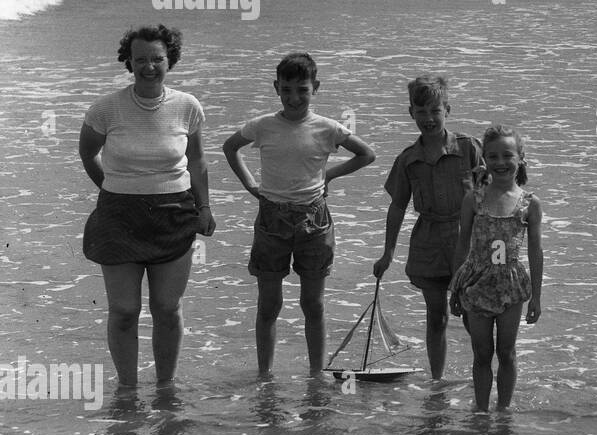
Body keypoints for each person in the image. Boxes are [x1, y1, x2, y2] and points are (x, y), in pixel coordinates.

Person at [79, 24, 216, 389]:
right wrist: (113, 190)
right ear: (129, 61)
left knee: (167, 310)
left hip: (175, 215)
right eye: (141, 59)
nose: (149, 66)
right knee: (124, 311)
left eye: (157, 58)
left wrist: (205, 207)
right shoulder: (106, 108)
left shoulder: (188, 106)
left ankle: (165, 388)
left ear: (170, 60)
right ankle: (127, 390)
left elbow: (198, 161)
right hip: (118, 220)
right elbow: (87, 152)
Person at [222, 53, 375, 375]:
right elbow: (229, 147)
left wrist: (329, 174)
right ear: (276, 87)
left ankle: (316, 374)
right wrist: (250, 183)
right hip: (271, 219)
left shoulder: (328, 128)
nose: (294, 98)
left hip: (315, 221)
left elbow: (366, 154)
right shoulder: (262, 125)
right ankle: (265, 374)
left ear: (315, 88)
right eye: (287, 89)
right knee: (269, 305)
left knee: (313, 305)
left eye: (302, 90)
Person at [373, 75, 483, 379]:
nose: (428, 118)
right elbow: (397, 207)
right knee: (436, 316)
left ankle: (483, 375)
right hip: (429, 242)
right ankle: (438, 382)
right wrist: (388, 253)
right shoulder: (408, 160)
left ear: (447, 109)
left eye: (435, 110)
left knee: (475, 317)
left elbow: (494, 193)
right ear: (411, 114)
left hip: (468, 240)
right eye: (420, 112)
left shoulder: (470, 148)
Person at [449, 126, 543, 411]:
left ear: (520, 158)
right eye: (493, 156)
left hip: (511, 285)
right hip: (476, 282)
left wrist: (536, 297)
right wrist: (455, 288)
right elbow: (462, 244)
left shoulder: (529, 203)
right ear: (484, 161)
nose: (500, 162)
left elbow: (535, 252)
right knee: (481, 353)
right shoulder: (474, 199)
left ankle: (502, 412)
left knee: (506, 351)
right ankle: (480, 411)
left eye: (507, 155)